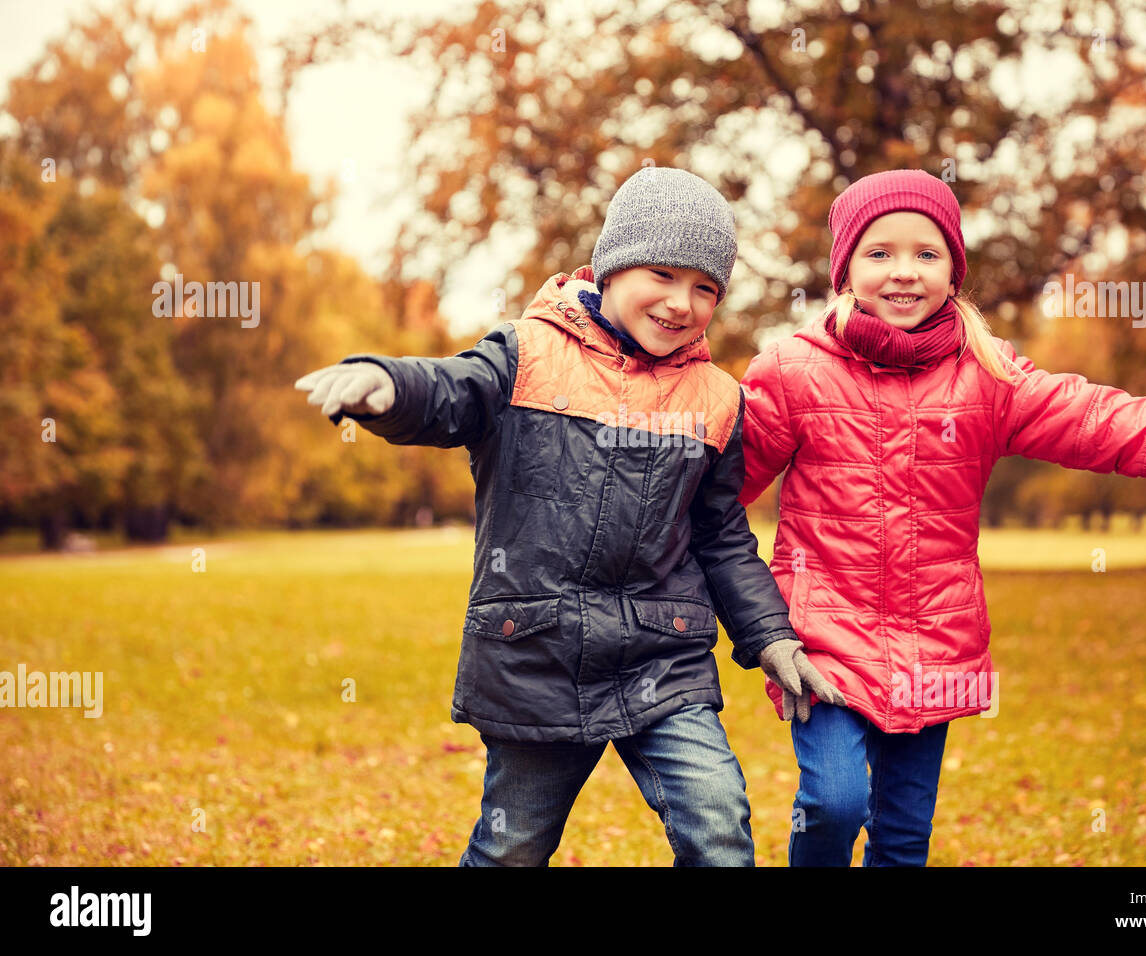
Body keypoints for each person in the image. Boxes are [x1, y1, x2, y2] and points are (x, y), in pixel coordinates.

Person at [738, 168, 1146, 867]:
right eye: (879, 253)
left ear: (954, 270)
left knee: (905, 838)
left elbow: (1113, 423)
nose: (904, 272)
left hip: (937, 640)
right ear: (845, 267)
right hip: (823, 644)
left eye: (926, 253)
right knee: (833, 803)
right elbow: (715, 494)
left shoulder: (988, 375)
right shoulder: (793, 371)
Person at [295, 166, 841, 866]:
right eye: (663, 275)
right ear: (610, 269)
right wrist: (388, 384)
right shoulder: (526, 355)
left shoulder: (716, 399)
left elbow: (722, 539)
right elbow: (451, 390)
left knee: (720, 829)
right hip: (537, 654)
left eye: (705, 288)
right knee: (512, 849)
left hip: (662, 658)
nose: (682, 303)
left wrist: (771, 637)